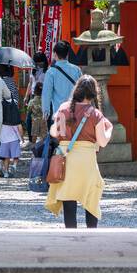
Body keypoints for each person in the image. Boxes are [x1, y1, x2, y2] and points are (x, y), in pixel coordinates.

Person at [45, 74, 114, 228]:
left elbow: (55, 134)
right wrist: (110, 129)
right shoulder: (95, 114)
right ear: (93, 93)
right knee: (91, 197)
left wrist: (54, 123)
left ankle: (71, 235)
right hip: (86, 161)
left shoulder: (63, 108)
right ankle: (91, 233)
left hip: (66, 158)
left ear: (77, 90)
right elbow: (102, 142)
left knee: (69, 197)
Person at [42, 40, 81, 126]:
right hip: (75, 112)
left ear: (55, 53)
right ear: (67, 54)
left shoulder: (51, 72)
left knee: (61, 138)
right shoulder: (77, 69)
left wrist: (46, 111)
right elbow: (81, 89)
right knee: (75, 137)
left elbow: (46, 93)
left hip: (60, 113)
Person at [0, 70, 23, 178]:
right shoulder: (13, 83)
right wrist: (22, 138)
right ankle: (13, 166)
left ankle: (2, 166)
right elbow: (19, 127)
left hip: (2, 114)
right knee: (15, 155)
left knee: (5, 153)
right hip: (13, 112)